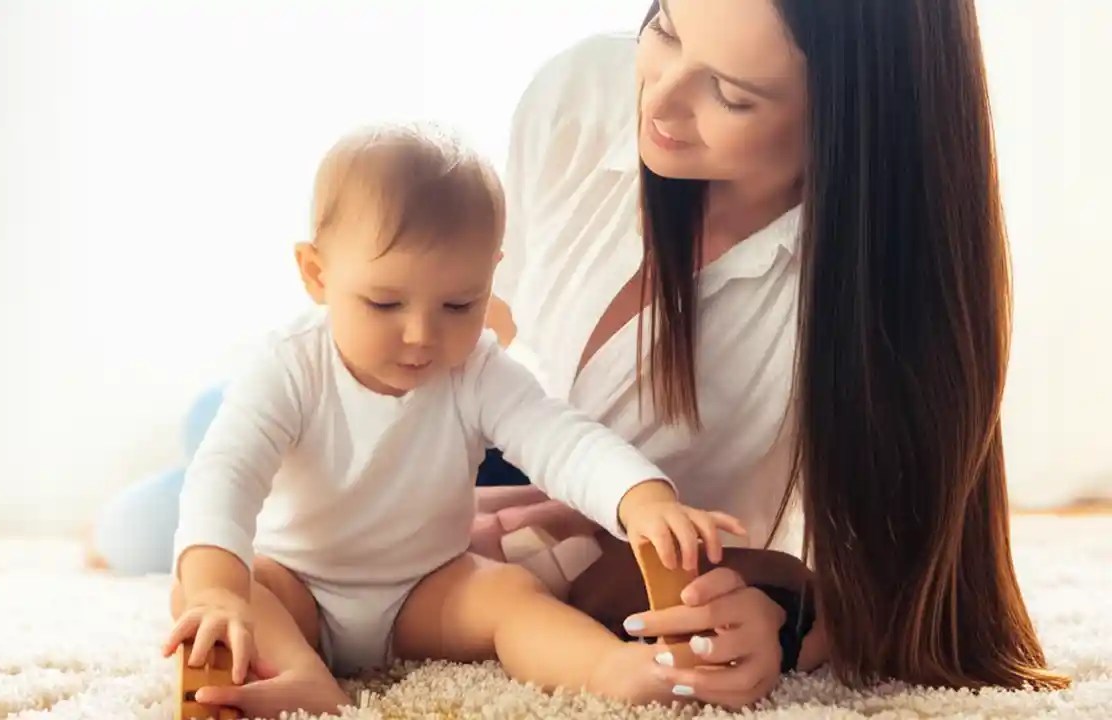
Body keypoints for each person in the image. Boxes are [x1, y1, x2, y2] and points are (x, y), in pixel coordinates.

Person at [92, 0, 1069, 708]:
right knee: (184, 525)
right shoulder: (576, 96)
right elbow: (429, 309)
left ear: (849, 127)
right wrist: (426, 350)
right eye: (666, 25)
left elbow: (896, 594)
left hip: (483, 465)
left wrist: (755, 595)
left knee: (520, 585)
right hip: (398, 448)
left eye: (728, 93)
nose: (656, 100)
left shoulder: (868, 312)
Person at [163, 123, 748, 719]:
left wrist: (643, 499)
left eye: (458, 304)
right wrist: (217, 590)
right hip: (299, 586)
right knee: (209, 588)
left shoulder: (475, 369)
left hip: (426, 588)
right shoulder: (289, 367)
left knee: (511, 593)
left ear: (490, 275)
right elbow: (225, 475)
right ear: (317, 274)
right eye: (384, 303)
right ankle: (304, 675)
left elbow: (560, 439)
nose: (421, 334)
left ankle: (608, 668)